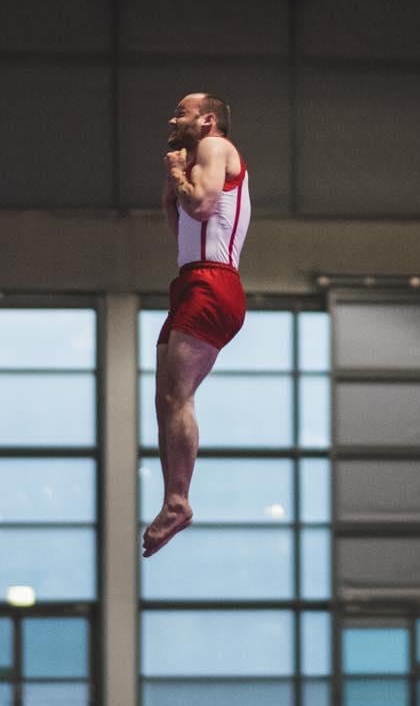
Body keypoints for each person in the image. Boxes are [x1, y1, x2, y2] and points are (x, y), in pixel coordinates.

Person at [142, 92, 252, 558]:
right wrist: (172, 189)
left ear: (208, 121)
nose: (173, 118)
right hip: (191, 279)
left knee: (178, 395)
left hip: (214, 283)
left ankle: (178, 501)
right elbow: (183, 224)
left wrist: (175, 177)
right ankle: (173, 497)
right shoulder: (196, 159)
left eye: (182, 113)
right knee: (165, 398)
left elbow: (203, 208)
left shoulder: (215, 147)